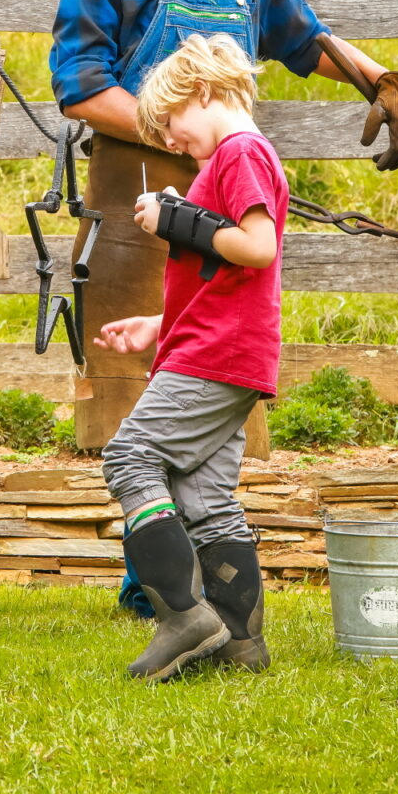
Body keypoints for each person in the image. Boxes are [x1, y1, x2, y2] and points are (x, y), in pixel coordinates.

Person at [50, 0, 398, 451]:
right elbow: (80, 88)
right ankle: (125, 533)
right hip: (132, 186)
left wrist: (384, 83)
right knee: (126, 404)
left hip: (227, 186)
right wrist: (166, 130)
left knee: (217, 364)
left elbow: (306, 40)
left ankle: (226, 522)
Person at [94, 34, 288, 681]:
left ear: (201, 92)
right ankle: (239, 640)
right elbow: (227, 277)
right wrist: (157, 325)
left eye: (172, 125)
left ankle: (183, 615)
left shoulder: (240, 152)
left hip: (215, 355)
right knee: (205, 496)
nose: (171, 142)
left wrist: (176, 219)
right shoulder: (232, 159)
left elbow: (258, 247)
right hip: (224, 349)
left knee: (130, 455)